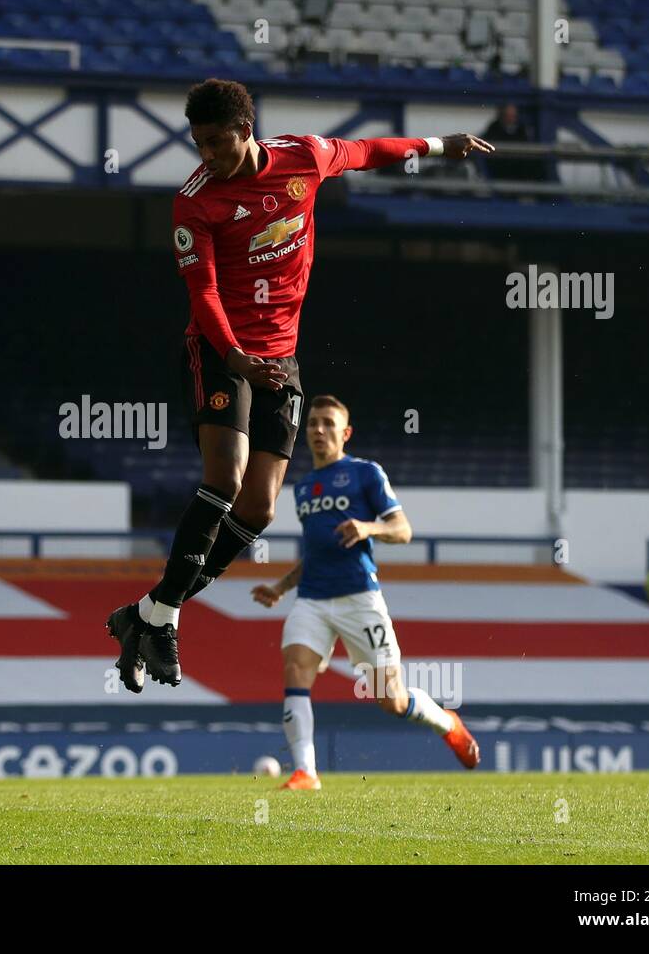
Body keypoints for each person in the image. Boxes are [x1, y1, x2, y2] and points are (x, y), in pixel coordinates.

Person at [105, 77, 493, 692]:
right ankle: (166, 619)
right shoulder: (195, 202)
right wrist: (233, 356)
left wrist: (441, 146)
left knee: (258, 508)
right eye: (197, 143)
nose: (206, 155)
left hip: (281, 360)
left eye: (215, 142)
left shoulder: (304, 159)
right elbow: (202, 291)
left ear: (245, 131)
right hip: (220, 351)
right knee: (224, 480)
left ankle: (148, 613)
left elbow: (368, 152)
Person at [250, 395, 481, 789]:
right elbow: (316, 553)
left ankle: (448, 723)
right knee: (295, 668)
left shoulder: (366, 474)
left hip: (359, 598)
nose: (318, 430)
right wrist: (280, 587)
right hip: (312, 599)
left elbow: (403, 530)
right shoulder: (303, 488)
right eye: (312, 424)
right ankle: (306, 771)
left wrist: (368, 527)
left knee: (390, 699)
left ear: (346, 433)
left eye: (327, 423)